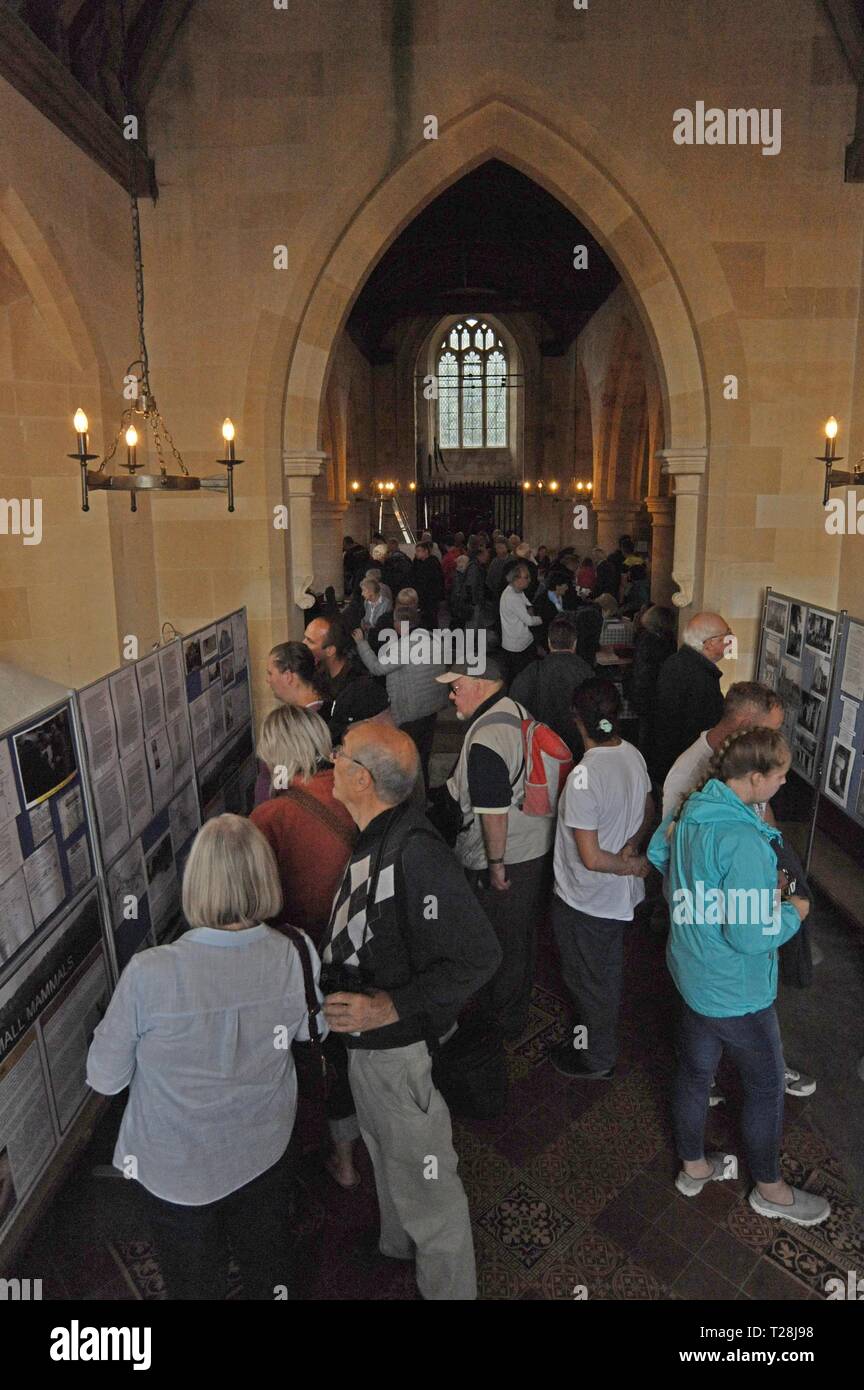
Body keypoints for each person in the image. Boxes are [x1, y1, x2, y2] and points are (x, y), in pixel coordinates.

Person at [87, 815, 325, 1298]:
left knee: (192, 1280)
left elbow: (105, 1079)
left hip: (177, 1169)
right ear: (265, 876)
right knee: (268, 1262)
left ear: (195, 882)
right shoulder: (295, 952)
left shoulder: (149, 973)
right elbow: (307, 1032)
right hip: (264, 1148)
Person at [319, 723, 501, 1300]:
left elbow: (480, 955)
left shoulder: (416, 853)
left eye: (339, 754)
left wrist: (389, 1005)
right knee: (386, 1154)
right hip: (370, 1054)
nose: (330, 760)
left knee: (430, 1189)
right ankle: (397, 1247)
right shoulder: (379, 831)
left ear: (361, 779)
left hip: (396, 1054)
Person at [646, 729, 830, 1227]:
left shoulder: (693, 808)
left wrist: (728, 890)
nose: (784, 781)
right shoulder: (743, 837)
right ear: (754, 779)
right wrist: (795, 910)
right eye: (780, 775)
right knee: (768, 1087)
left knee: (693, 1073)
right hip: (735, 990)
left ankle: (694, 1168)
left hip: (692, 972)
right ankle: (770, 1189)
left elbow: (660, 857)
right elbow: (751, 938)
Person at [437, 655, 555, 1041]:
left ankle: (501, 1022)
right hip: (533, 843)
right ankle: (512, 1007)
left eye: (456, 687)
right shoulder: (513, 710)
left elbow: (492, 812)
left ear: (482, 683)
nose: (451, 696)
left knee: (499, 939)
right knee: (517, 934)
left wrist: (496, 865)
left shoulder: (486, 736)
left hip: (509, 854)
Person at [549, 680, 653, 1079]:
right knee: (602, 973)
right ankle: (593, 1041)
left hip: (587, 900)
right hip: (619, 897)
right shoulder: (631, 754)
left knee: (589, 982)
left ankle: (595, 1058)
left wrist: (632, 863)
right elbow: (648, 804)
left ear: (577, 720)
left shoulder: (583, 777)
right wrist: (633, 844)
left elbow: (590, 857)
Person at [251, 707, 356, 943]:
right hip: (354, 928)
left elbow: (254, 900)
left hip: (301, 941)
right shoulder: (353, 789)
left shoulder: (270, 817)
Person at [352, 605, 450, 788]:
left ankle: (412, 798)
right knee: (424, 753)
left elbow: (377, 668)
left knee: (408, 758)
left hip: (411, 712)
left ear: (398, 624)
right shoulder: (434, 638)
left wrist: (361, 643)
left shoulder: (403, 646)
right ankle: (424, 791)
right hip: (433, 706)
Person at [649, 612, 732, 784]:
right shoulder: (701, 678)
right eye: (727, 634)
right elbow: (702, 730)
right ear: (710, 643)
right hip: (686, 771)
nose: (730, 639)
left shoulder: (676, 662)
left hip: (666, 763)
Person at [510, 614, 594, 759]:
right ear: (574, 643)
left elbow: (514, 705)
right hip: (578, 750)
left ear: (549, 643)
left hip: (541, 748)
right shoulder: (587, 672)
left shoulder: (533, 670)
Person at [254, 642, 327, 804]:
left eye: (270, 673)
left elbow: (281, 783)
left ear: (288, 676)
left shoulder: (291, 730)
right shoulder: (325, 709)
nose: (267, 680)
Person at [303, 616, 390, 743]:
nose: (303, 643)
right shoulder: (317, 674)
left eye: (310, 641)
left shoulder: (358, 686)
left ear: (330, 651)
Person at [629, 606, 677, 773]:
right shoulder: (662, 641)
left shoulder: (645, 639)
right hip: (654, 693)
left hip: (646, 692)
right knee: (649, 732)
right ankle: (647, 768)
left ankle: (644, 766)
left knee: (646, 731)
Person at [499, 563, 543, 685]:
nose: (529, 580)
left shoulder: (516, 590)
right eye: (526, 577)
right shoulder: (512, 597)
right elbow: (529, 621)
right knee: (517, 680)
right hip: (517, 646)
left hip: (520, 641)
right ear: (516, 579)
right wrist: (543, 618)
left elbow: (528, 604)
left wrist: (530, 611)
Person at [412, 541, 445, 628]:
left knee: (431, 619)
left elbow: (435, 581)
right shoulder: (419, 562)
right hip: (425, 597)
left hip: (430, 597)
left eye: (419, 551)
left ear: (426, 551)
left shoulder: (431, 563)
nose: (416, 553)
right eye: (416, 551)